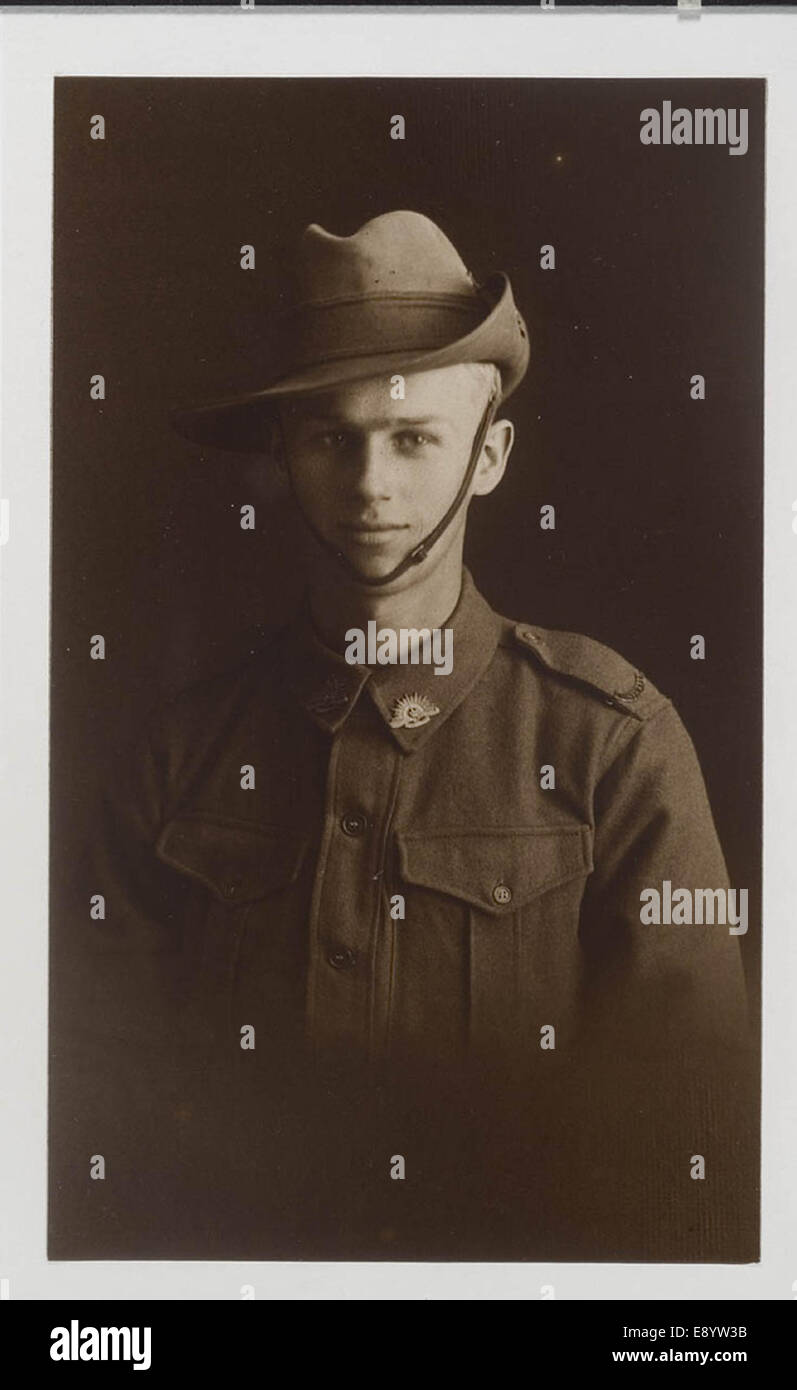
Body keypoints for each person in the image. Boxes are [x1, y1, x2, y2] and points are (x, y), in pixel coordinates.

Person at [53, 211, 757, 1262]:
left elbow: (690, 1154)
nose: (370, 485)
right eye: (331, 439)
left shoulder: (613, 745)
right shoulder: (178, 758)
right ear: (283, 455)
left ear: (488, 456)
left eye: (413, 438)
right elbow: (87, 1128)